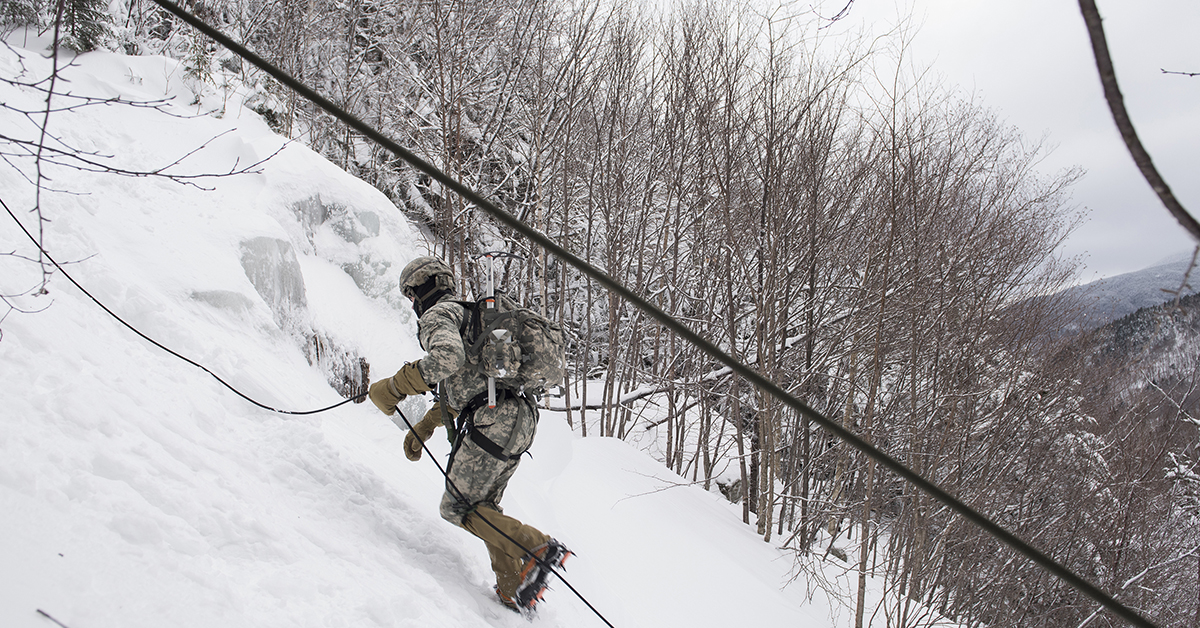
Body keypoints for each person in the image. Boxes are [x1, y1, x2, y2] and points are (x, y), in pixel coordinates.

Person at [367, 256, 568, 612]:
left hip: (492, 419)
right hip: (520, 418)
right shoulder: (473, 318)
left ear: (418, 291)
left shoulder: (438, 316)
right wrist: (426, 426)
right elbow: (463, 387)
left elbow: (446, 360)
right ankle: (512, 586)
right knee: (482, 505)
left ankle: (533, 546)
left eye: (410, 297)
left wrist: (395, 388)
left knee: (456, 506)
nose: (412, 305)